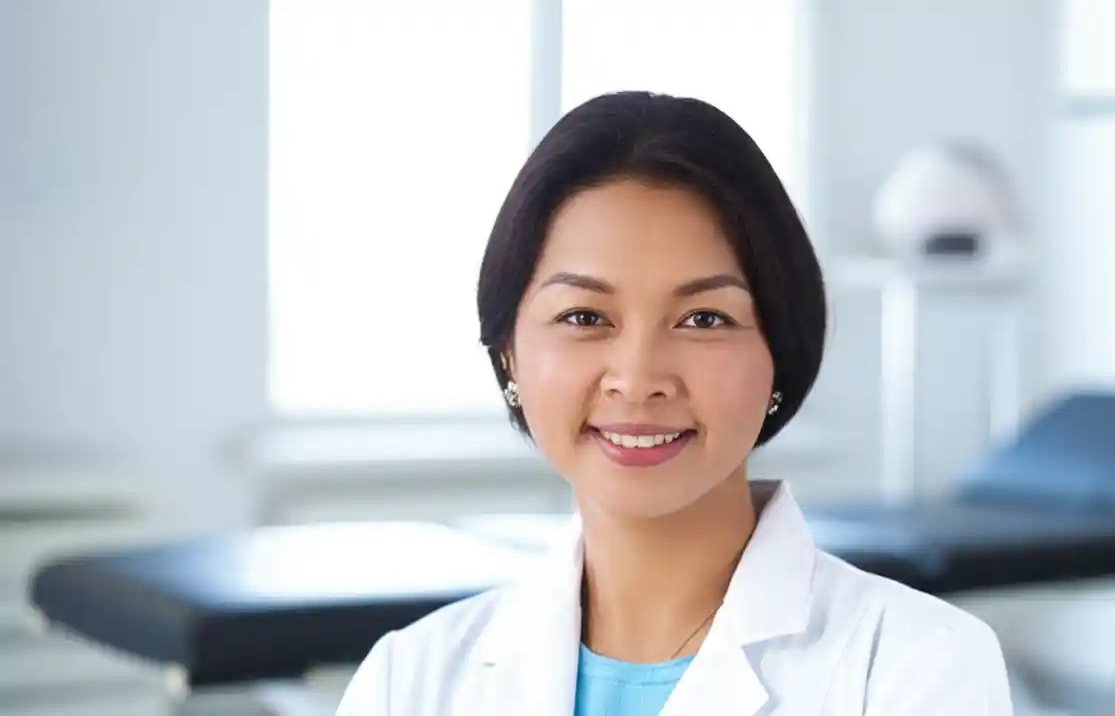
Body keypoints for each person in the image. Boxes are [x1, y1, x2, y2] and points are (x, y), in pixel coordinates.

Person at [336, 91, 1012, 715]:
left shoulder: (916, 667)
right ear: (509, 351)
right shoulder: (411, 679)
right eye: (582, 317)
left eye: (704, 320)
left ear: (781, 348)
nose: (638, 378)